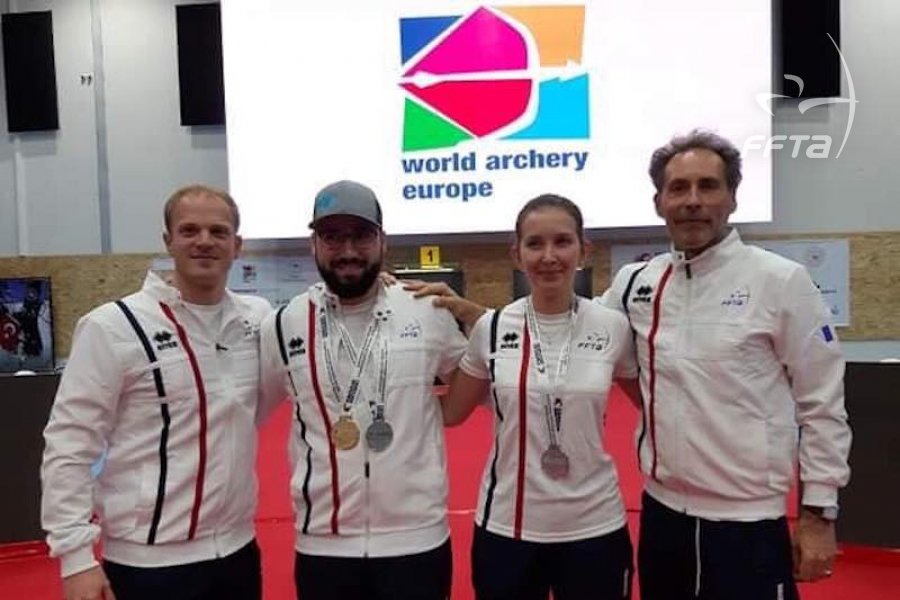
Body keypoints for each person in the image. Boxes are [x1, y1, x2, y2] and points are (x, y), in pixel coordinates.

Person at [599, 129, 852, 599]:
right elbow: (575, 332)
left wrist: (819, 512)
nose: (693, 200)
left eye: (708, 186)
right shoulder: (635, 282)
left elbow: (822, 405)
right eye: (678, 188)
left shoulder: (780, 281)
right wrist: (482, 320)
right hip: (663, 518)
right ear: (659, 202)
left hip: (749, 524)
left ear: (732, 198)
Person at [41, 185, 272, 600]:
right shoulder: (112, 326)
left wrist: (385, 290)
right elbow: (69, 444)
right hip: (147, 567)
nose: (204, 241)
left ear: (237, 246)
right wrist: (75, 558)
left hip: (238, 554)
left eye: (218, 232)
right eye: (190, 230)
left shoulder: (257, 319)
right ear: (168, 241)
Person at [257, 180, 469, 600]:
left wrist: (480, 318)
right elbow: (248, 409)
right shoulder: (282, 325)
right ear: (313, 244)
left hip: (417, 540)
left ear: (383, 241)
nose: (348, 250)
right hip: (323, 545)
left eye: (361, 235)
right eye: (332, 237)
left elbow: (471, 379)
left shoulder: (426, 309)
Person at [432, 194, 639, 599]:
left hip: (596, 525)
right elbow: (452, 411)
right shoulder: (491, 329)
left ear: (584, 249)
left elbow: (653, 402)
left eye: (562, 241)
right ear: (517, 254)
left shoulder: (613, 327)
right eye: (534, 244)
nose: (548, 256)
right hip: (507, 527)